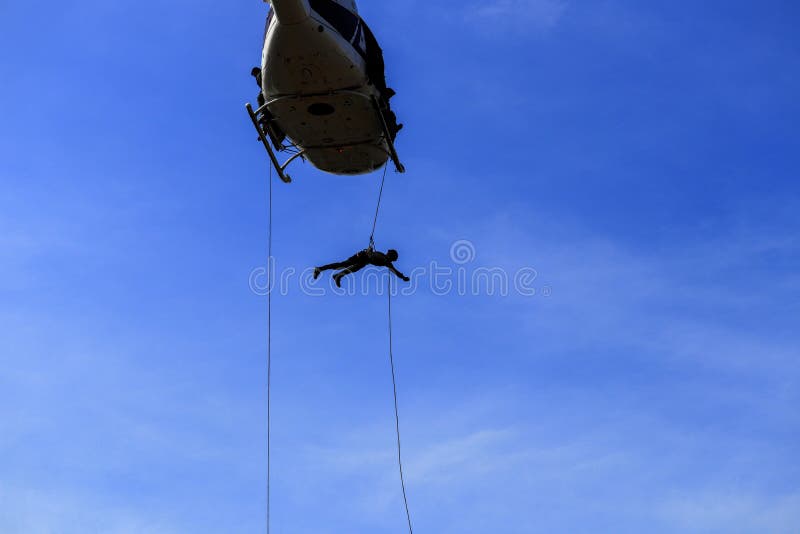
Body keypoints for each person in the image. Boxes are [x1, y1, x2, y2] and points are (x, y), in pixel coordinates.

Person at [314, 248, 410, 287]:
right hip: (362, 256)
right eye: (392, 258)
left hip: (364, 261)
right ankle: (319, 269)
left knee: (353, 269)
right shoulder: (384, 258)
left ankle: (338, 276)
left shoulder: (386, 261)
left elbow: (395, 271)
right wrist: (368, 251)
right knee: (342, 265)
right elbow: (395, 271)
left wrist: (402, 277)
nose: (391, 260)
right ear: (390, 256)